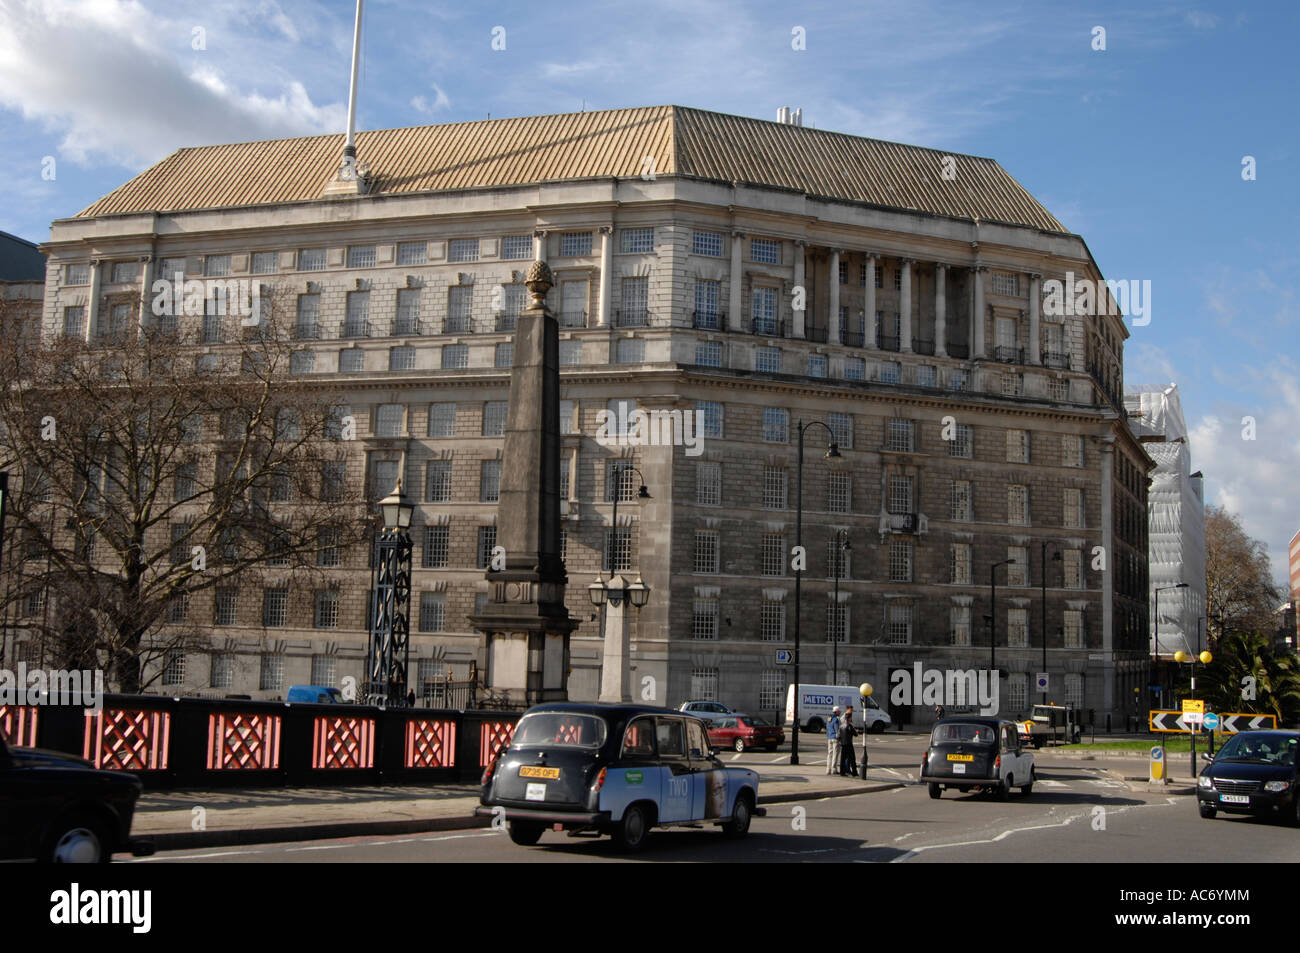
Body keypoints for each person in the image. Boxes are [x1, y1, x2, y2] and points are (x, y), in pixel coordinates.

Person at [839, 706, 858, 777]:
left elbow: (838, 735)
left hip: (843, 744)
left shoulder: (841, 726)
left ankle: (842, 772)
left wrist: (841, 741)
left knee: (842, 758)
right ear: (849, 719)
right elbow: (855, 734)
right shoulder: (849, 726)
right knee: (852, 758)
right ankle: (854, 772)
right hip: (849, 744)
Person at [826, 706, 841, 775]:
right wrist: (839, 737)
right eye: (839, 711)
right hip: (835, 738)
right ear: (837, 712)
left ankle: (828, 769)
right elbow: (837, 729)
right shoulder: (836, 719)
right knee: (835, 754)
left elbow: (828, 728)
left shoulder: (829, 718)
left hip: (829, 737)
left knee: (830, 754)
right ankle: (833, 769)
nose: (840, 712)